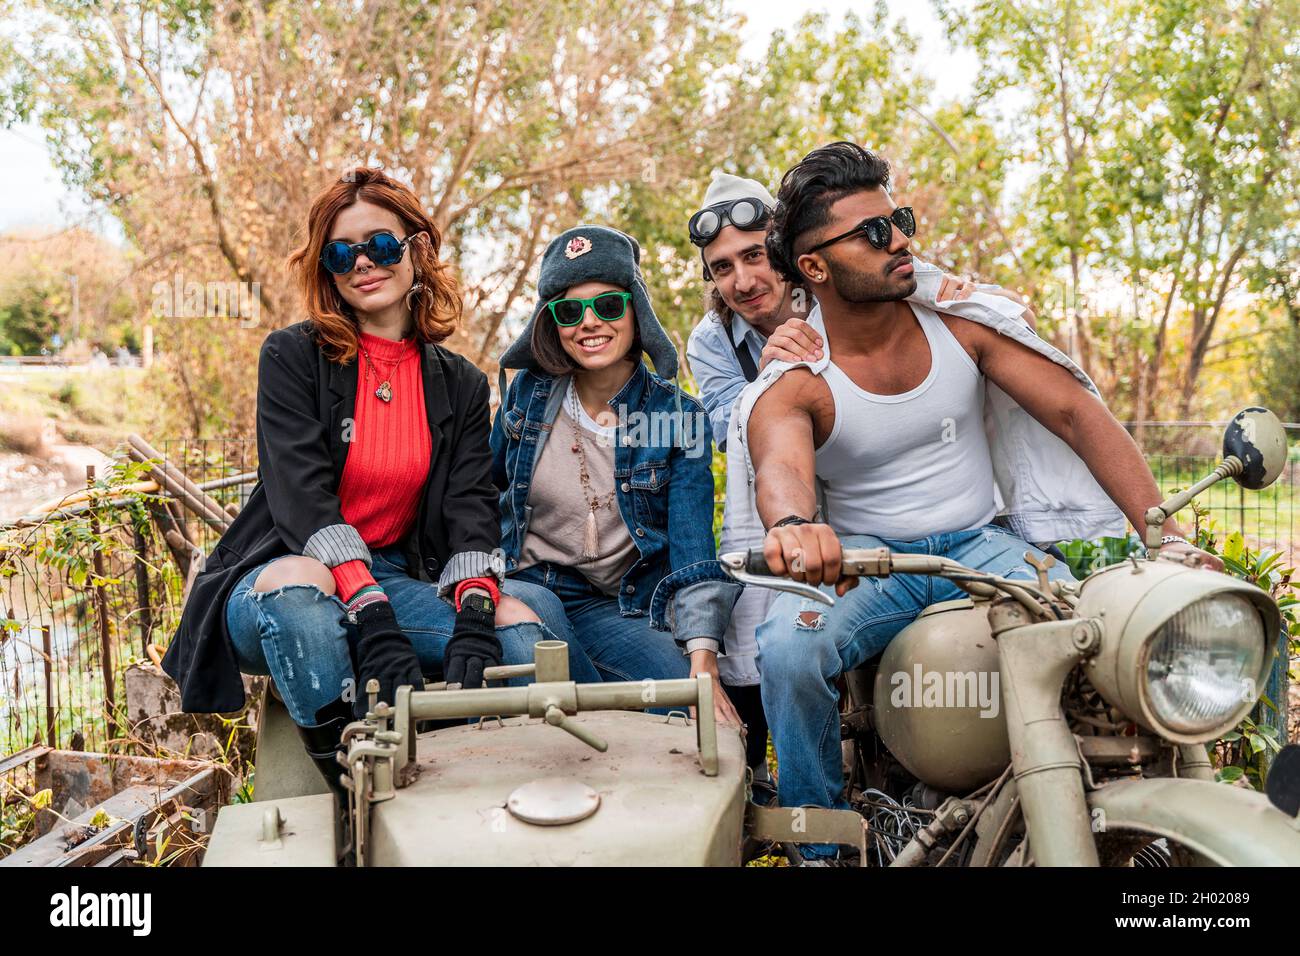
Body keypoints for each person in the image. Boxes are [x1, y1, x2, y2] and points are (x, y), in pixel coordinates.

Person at [733, 142, 1222, 861]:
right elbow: (780, 464)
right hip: (876, 563)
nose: (900, 239)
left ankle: (1118, 809)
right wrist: (796, 527)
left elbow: (1076, 414)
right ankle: (823, 846)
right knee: (787, 647)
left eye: (899, 219)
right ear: (814, 266)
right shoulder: (801, 377)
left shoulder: (960, 325)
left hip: (980, 542)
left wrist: (1165, 535)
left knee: (1112, 626)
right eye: (874, 231)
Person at [162, 167, 575, 798]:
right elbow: (302, 500)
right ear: (325, 269)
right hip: (280, 575)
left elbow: (470, 504)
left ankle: (492, 801)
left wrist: (474, 605)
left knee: (520, 626)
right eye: (341, 252)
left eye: (380, 245)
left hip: (387, 577)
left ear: (417, 251)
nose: (363, 263)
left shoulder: (459, 383)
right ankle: (360, 795)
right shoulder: (292, 358)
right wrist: (369, 610)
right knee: (304, 591)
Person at [684, 172, 1033, 797]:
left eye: (756, 256)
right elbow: (735, 433)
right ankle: (802, 814)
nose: (742, 281)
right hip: (817, 523)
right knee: (768, 629)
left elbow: (952, 307)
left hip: (948, 518)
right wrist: (774, 384)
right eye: (721, 268)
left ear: (796, 258)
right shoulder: (713, 340)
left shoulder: (857, 280)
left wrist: (975, 297)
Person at [491, 225, 742, 725]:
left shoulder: (678, 417)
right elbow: (484, 491)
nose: (588, 324)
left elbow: (692, 546)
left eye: (607, 306)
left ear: (636, 312)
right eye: (569, 311)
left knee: (686, 710)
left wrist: (702, 664)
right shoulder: (527, 395)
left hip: (617, 604)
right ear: (552, 323)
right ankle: (603, 742)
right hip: (529, 583)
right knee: (541, 642)